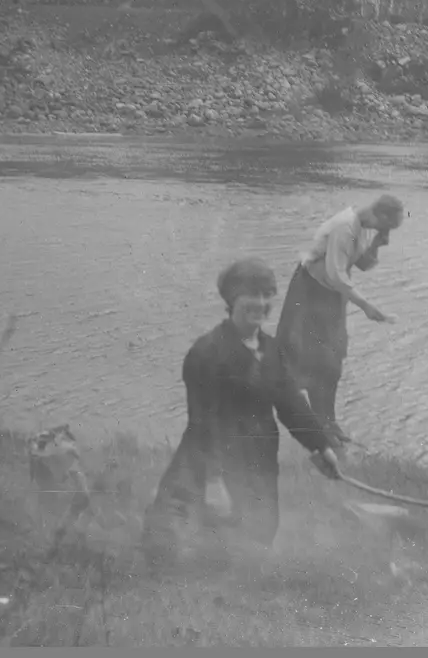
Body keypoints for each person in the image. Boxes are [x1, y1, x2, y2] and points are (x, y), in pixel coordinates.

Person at [141, 258, 342, 567]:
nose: (260, 303)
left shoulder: (272, 349)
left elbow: (290, 404)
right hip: (211, 459)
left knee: (260, 533)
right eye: (251, 294)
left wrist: (320, 445)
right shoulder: (206, 353)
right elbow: (202, 424)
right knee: (190, 539)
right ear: (231, 299)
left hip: (259, 456)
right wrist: (213, 481)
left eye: (267, 295)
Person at [274, 195, 405, 448]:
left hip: (332, 295)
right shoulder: (345, 227)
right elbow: (336, 273)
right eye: (386, 227)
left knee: (332, 358)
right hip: (310, 291)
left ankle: (327, 422)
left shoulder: (366, 227)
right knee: (305, 357)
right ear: (380, 215)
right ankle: (315, 427)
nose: (386, 232)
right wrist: (366, 305)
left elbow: (362, 264)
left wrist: (378, 243)